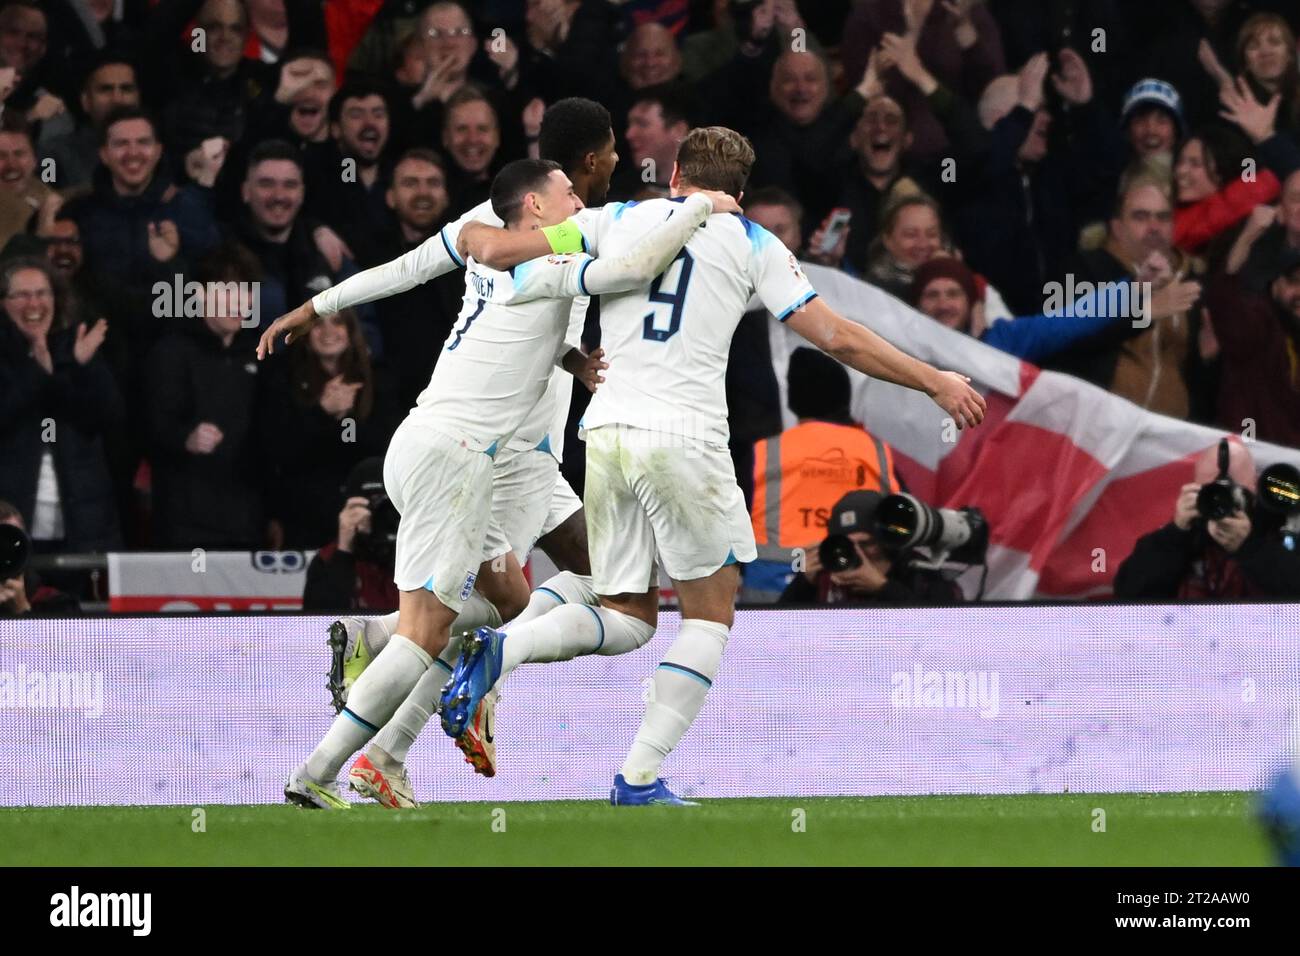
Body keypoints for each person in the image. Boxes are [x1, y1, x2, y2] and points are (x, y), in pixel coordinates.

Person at [439, 125, 985, 807]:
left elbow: (516, 262)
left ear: (674, 177)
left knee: (629, 614)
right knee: (709, 613)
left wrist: (482, 250)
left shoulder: (615, 218)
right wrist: (933, 379)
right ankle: (636, 777)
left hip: (605, 432)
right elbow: (837, 336)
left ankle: (504, 650)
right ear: (741, 191)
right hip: (685, 437)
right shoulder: (753, 241)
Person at [267, 156, 733, 810]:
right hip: (457, 458)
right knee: (425, 630)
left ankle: (383, 715)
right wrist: (699, 207)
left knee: (498, 606)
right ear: (536, 207)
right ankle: (316, 771)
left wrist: (312, 306)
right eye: (567, 193)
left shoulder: (489, 252)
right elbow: (630, 266)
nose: (579, 202)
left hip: (440, 448)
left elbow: (401, 274)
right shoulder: (548, 263)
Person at [745, 347, 902, 602]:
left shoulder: (764, 450)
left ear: (795, 400)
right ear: (844, 398)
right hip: (856, 575)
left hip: (775, 581)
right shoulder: (875, 449)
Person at [0, 256, 120, 553]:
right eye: (22, 295)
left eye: (42, 293)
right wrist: (38, 369)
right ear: (3, 303)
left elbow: (108, 416)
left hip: (81, 525)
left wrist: (76, 368)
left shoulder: (76, 349)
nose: (34, 304)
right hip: (11, 523)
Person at [1113, 439, 1300, 599]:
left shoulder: (1279, 531)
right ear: (1194, 489)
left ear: (1254, 490)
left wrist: (1250, 549)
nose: (1223, 502)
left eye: (1234, 493)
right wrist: (1176, 534)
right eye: (1212, 491)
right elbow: (1128, 596)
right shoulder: (1180, 538)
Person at [775, 490, 962, 605]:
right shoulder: (825, 572)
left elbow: (943, 630)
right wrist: (804, 583)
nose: (857, 553)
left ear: (885, 542)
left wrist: (883, 587)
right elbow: (777, 632)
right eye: (847, 544)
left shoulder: (918, 569)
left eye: (866, 544)